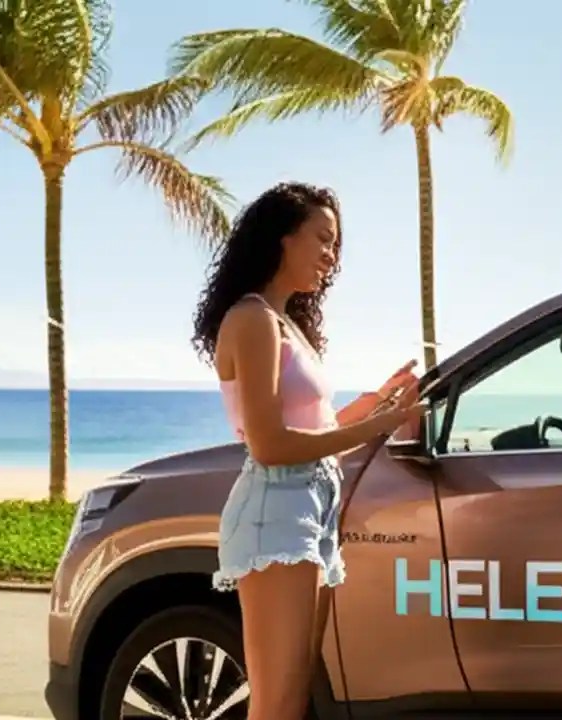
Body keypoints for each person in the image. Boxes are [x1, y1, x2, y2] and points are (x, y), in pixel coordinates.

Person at [190, 181, 425, 720]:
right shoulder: (251, 320)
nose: (331, 256)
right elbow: (271, 445)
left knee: (292, 699)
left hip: (309, 506)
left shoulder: (284, 323)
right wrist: (379, 427)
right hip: (277, 508)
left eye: (335, 244)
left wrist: (374, 405)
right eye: (322, 239)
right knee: (275, 704)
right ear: (281, 237)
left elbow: (311, 434)